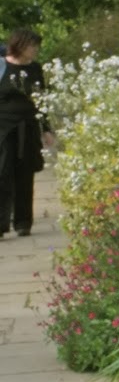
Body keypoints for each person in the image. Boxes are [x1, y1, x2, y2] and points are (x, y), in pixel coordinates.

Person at [0, 27, 52, 239]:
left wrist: (46, 129)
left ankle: (23, 222)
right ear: (20, 45)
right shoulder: (2, 65)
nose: (35, 50)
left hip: (28, 126)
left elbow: (42, 100)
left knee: (25, 173)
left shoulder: (35, 68)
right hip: (4, 127)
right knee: (3, 173)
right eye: (33, 46)